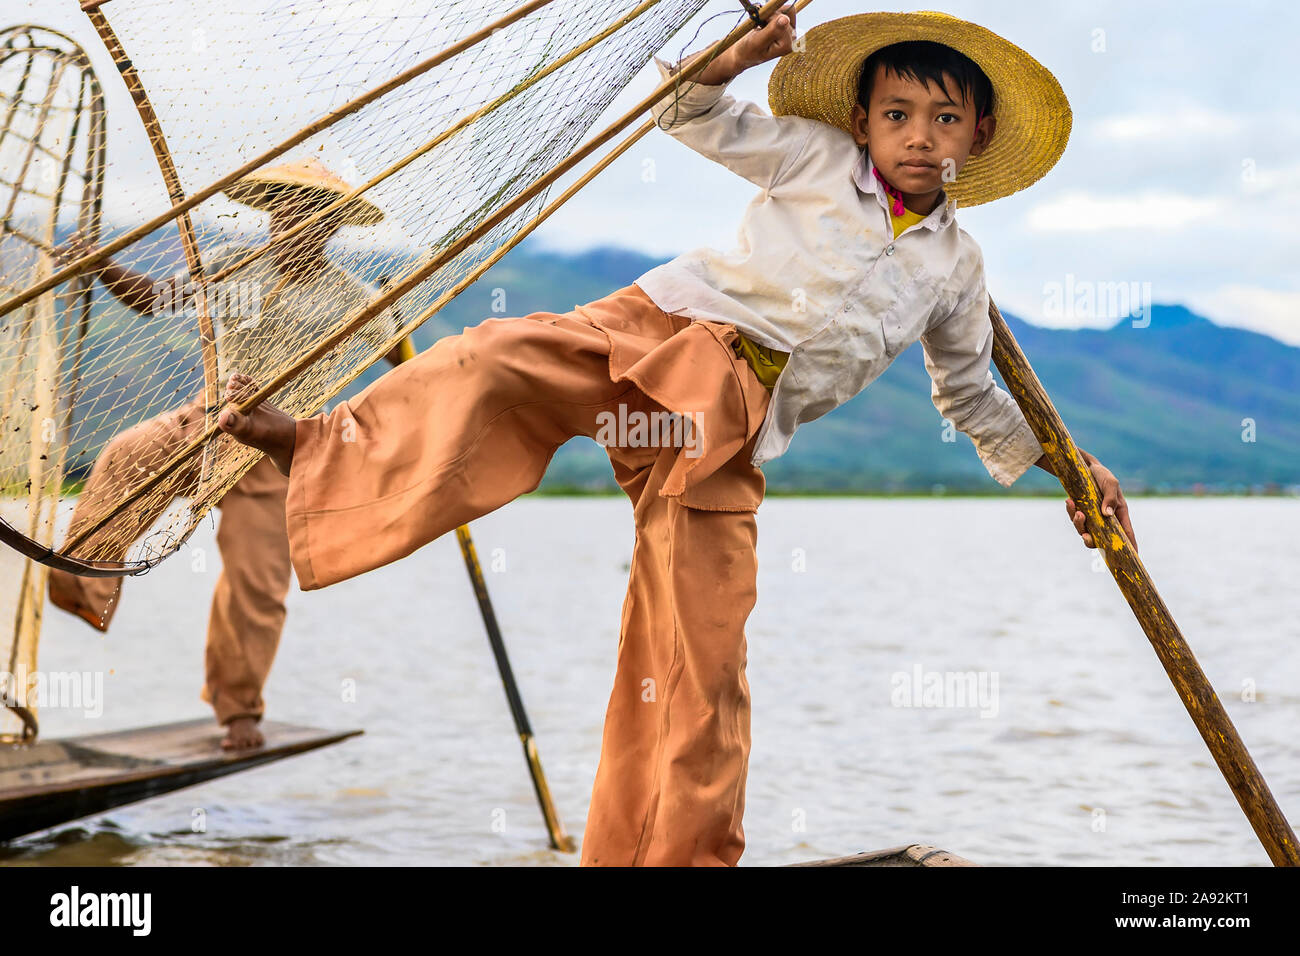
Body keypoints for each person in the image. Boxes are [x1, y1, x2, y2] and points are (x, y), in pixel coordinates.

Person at [216, 11, 1138, 861]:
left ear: (976, 138)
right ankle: (320, 444)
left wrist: (1069, 464)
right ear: (862, 122)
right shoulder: (813, 158)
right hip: (663, 333)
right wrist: (739, 55)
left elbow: (971, 395)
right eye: (897, 114)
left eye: (944, 120)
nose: (919, 136)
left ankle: (671, 858)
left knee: (702, 665)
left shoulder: (956, 267)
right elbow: (689, 109)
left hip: (731, 426)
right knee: (495, 361)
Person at [48, 159, 402, 750]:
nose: (290, 224)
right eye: (283, 213)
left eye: (308, 215)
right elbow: (156, 300)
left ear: (329, 225)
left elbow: (404, 361)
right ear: (270, 219)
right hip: (205, 423)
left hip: (272, 446)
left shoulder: (352, 297)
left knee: (257, 584)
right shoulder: (238, 273)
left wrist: (412, 335)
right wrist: (102, 265)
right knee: (122, 456)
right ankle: (83, 589)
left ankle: (239, 712)